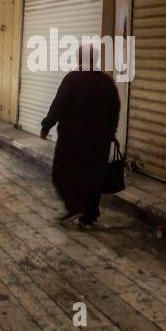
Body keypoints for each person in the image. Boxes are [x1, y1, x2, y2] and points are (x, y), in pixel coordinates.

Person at [40, 47, 120, 227]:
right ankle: (89, 215)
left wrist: (46, 126)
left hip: (72, 139)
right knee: (93, 176)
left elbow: (58, 105)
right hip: (99, 141)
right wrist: (110, 133)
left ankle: (75, 206)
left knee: (60, 173)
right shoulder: (107, 82)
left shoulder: (72, 79)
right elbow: (115, 110)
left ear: (79, 58)